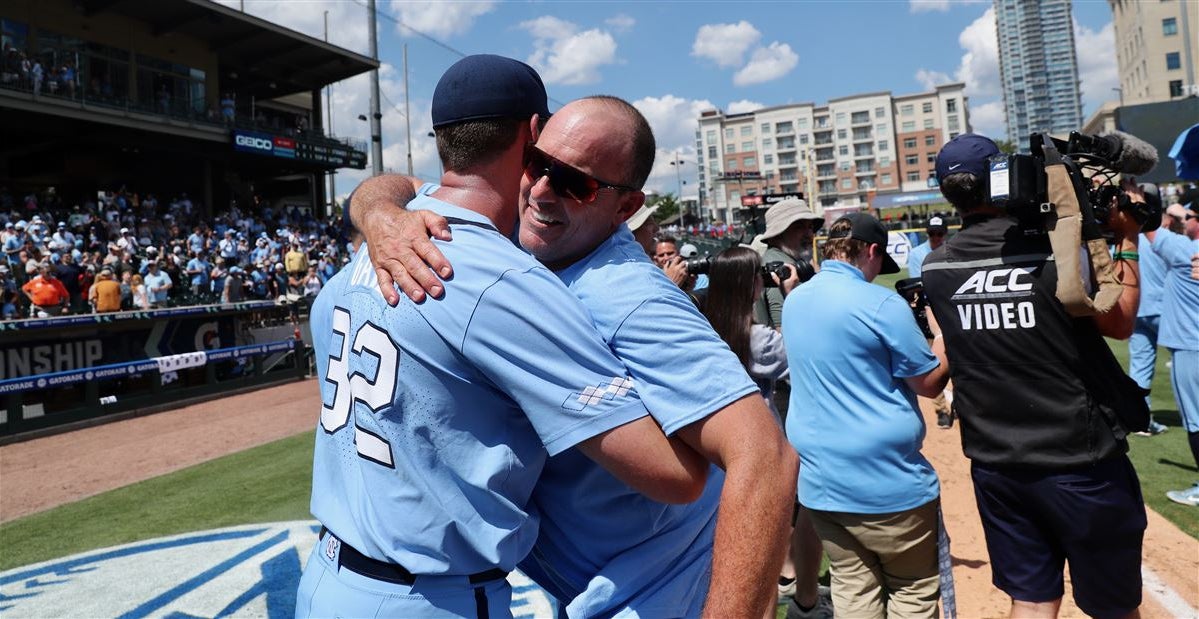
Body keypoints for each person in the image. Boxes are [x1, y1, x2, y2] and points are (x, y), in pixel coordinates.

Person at [297, 55, 713, 619]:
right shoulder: (504, 281)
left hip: (326, 578)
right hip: (428, 596)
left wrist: (371, 206)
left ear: (442, 140)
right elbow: (677, 478)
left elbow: (390, 187)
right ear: (536, 134)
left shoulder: (376, 245)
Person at [352, 94, 798, 617]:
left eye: (575, 183)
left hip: (660, 593)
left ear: (626, 208)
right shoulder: (527, 242)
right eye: (537, 164)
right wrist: (379, 214)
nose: (541, 190)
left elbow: (766, 458)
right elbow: (401, 184)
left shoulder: (631, 298)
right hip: (597, 588)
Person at [922, 133, 1149, 619]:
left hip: (996, 460)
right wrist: (1125, 237)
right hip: (1080, 458)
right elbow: (1121, 320)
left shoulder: (936, 266)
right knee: (1113, 606)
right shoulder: (1056, 255)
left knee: (1031, 599)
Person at [783, 213, 950, 619]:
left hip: (822, 482)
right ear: (872, 251)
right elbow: (929, 383)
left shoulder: (797, 298)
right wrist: (945, 337)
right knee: (912, 592)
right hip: (888, 484)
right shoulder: (881, 302)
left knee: (854, 592)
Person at [1148, 190, 1199, 506]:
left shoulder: (1186, 250)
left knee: (1195, 421)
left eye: (1190, 217)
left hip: (1191, 347)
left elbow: (1150, 229)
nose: (1186, 221)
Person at [1128, 206, 1181, 437]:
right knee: (1186, 360)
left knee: (1140, 364)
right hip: (1164, 309)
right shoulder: (1166, 242)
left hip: (1137, 309)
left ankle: (1141, 419)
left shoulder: (1127, 239)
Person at [905, 216, 955, 429]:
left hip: (953, 313)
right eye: (932, 233)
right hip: (928, 316)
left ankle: (960, 402)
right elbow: (921, 287)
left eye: (939, 233)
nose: (936, 237)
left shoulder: (954, 249)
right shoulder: (917, 254)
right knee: (935, 363)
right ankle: (942, 410)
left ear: (945, 233)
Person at [754, 198, 823, 329]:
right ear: (777, 235)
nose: (809, 234)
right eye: (799, 227)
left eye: (810, 227)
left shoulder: (792, 261)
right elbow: (782, 331)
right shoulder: (782, 268)